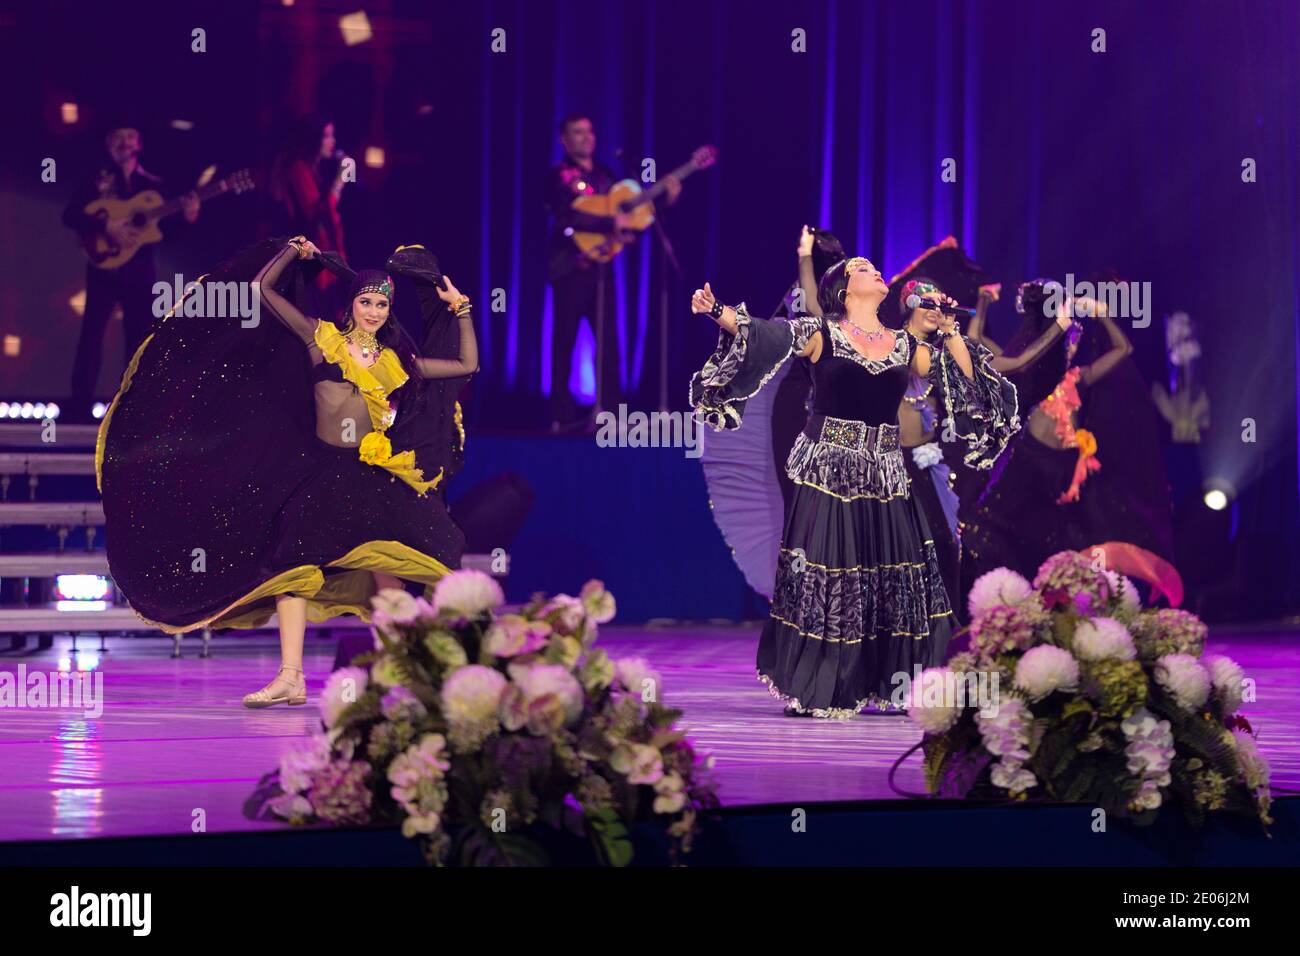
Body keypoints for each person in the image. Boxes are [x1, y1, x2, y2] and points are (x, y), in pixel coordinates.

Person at [96, 237, 477, 708]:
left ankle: (397, 673)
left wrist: (460, 307)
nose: (374, 310)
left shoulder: (396, 363)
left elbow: (467, 364)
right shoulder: (322, 339)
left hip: (368, 476)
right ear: (351, 304)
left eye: (382, 303)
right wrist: (291, 253)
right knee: (293, 565)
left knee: (388, 571)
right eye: (366, 301)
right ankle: (291, 676)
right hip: (317, 474)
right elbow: (261, 289)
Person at [690, 254, 1018, 718]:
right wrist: (717, 310)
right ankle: (823, 684)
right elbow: (765, 334)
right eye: (863, 268)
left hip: (885, 470)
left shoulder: (904, 344)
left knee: (898, 576)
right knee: (830, 574)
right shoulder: (822, 332)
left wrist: (947, 329)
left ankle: (906, 683)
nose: (876, 271)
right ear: (844, 289)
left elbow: (960, 376)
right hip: (828, 469)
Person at [961, 283, 1155, 585]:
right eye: (1065, 337)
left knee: (1067, 546)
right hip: (1030, 465)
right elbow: (975, 340)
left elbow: (1124, 349)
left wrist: (1099, 315)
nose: (1069, 345)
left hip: (1064, 473)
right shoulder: (1027, 373)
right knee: (1018, 539)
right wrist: (984, 300)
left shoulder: (1078, 378)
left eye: (1073, 339)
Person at [544, 113, 680, 430]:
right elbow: (567, 216)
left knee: (608, 341)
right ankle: (560, 416)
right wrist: (609, 225)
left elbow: (628, 216)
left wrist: (663, 204)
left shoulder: (606, 175)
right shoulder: (558, 176)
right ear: (565, 140)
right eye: (578, 133)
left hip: (602, 269)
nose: (587, 138)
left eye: (589, 132)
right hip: (570, 265)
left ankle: (610, 414)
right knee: (564, 341)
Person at [62, 124, 200, 422]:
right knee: (92, 337)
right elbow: (70, 215)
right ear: (108, 143)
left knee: (138, 340)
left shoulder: (153, 186)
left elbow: (164, 232)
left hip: (138, 272)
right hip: (104, 270)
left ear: (139, 143)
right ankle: (79, 407)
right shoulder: (95, 180)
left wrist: (187, 219)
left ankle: (134, 410)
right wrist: (105, 226)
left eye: (130, 137)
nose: (124, 143)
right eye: (117, 137)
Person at [269, 116, 349, 286]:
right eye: (327, 136)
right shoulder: (298, 169)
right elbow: (316, 214)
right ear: (313, 139)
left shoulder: (313, 169)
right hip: (307, 261)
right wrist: (339, 182)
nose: (333, 141)